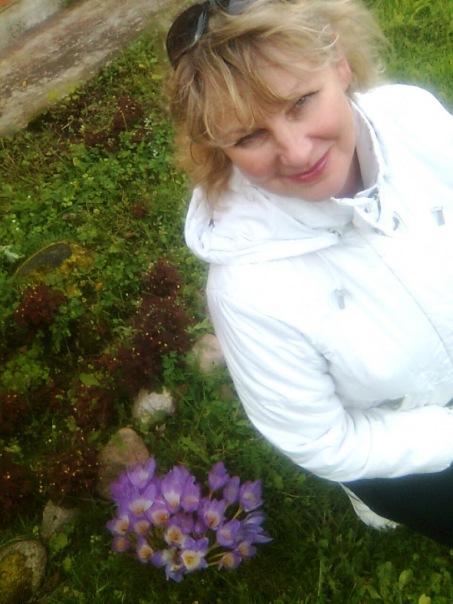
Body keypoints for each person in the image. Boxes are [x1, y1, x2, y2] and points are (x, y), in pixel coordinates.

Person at [165, 0, 453, 545]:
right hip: (406, 455)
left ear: (339, 63)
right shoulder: (246, 294)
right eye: (249, 137)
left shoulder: (413, 116)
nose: (297, 152)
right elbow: (323, 440)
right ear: (218, 150)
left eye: (301, 101)